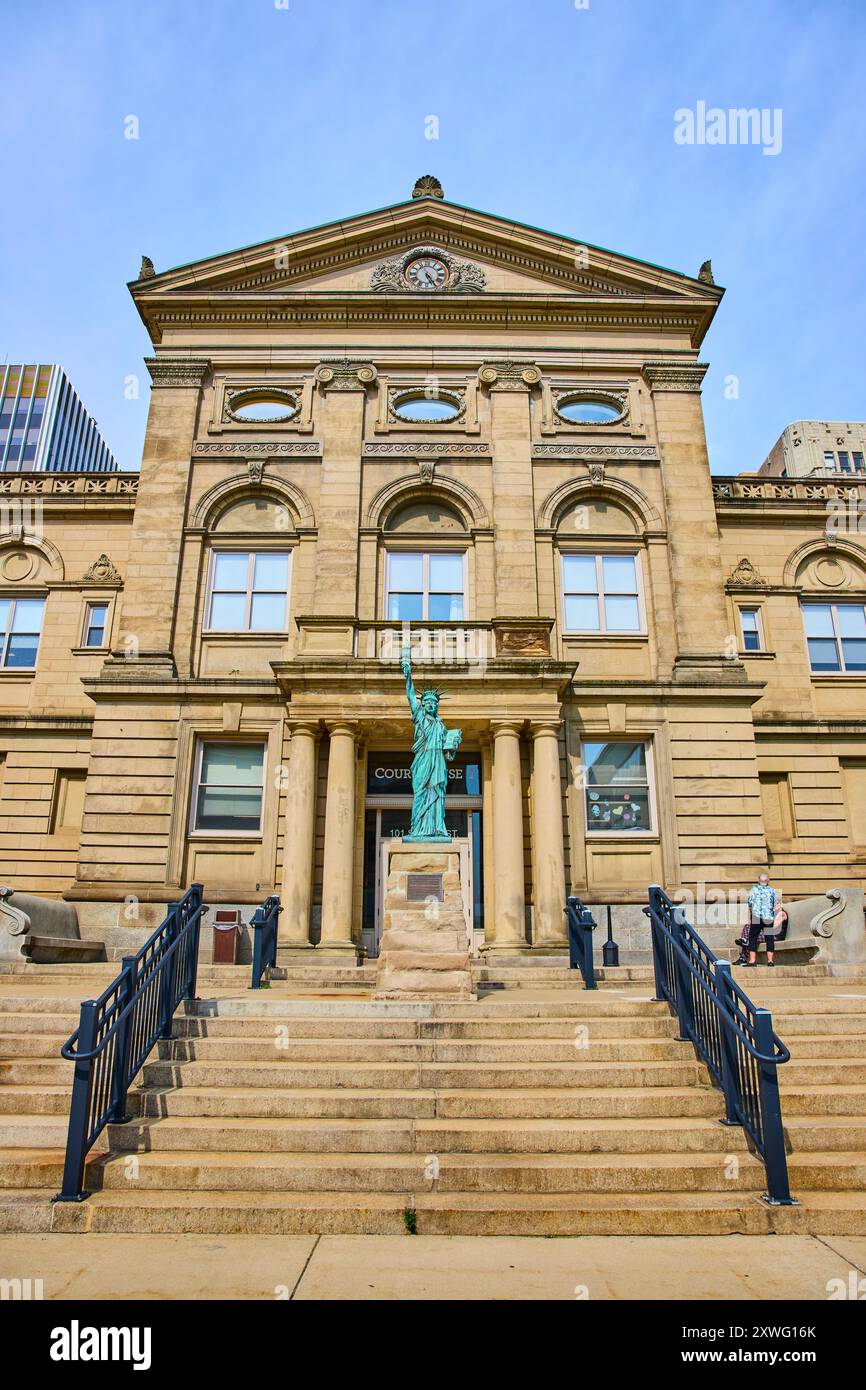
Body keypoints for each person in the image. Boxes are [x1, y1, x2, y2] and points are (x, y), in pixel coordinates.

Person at [742, 872, 784, 967]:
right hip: (768, 917)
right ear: (768, 881)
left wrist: (751, 916)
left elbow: (750, 903)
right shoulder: (772, 891)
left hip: (757, 916)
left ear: (758, 881)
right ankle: (770, 961)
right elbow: (776, 904)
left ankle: (752, 961)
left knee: (753, 938)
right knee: (769, 938)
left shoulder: (753, 889)